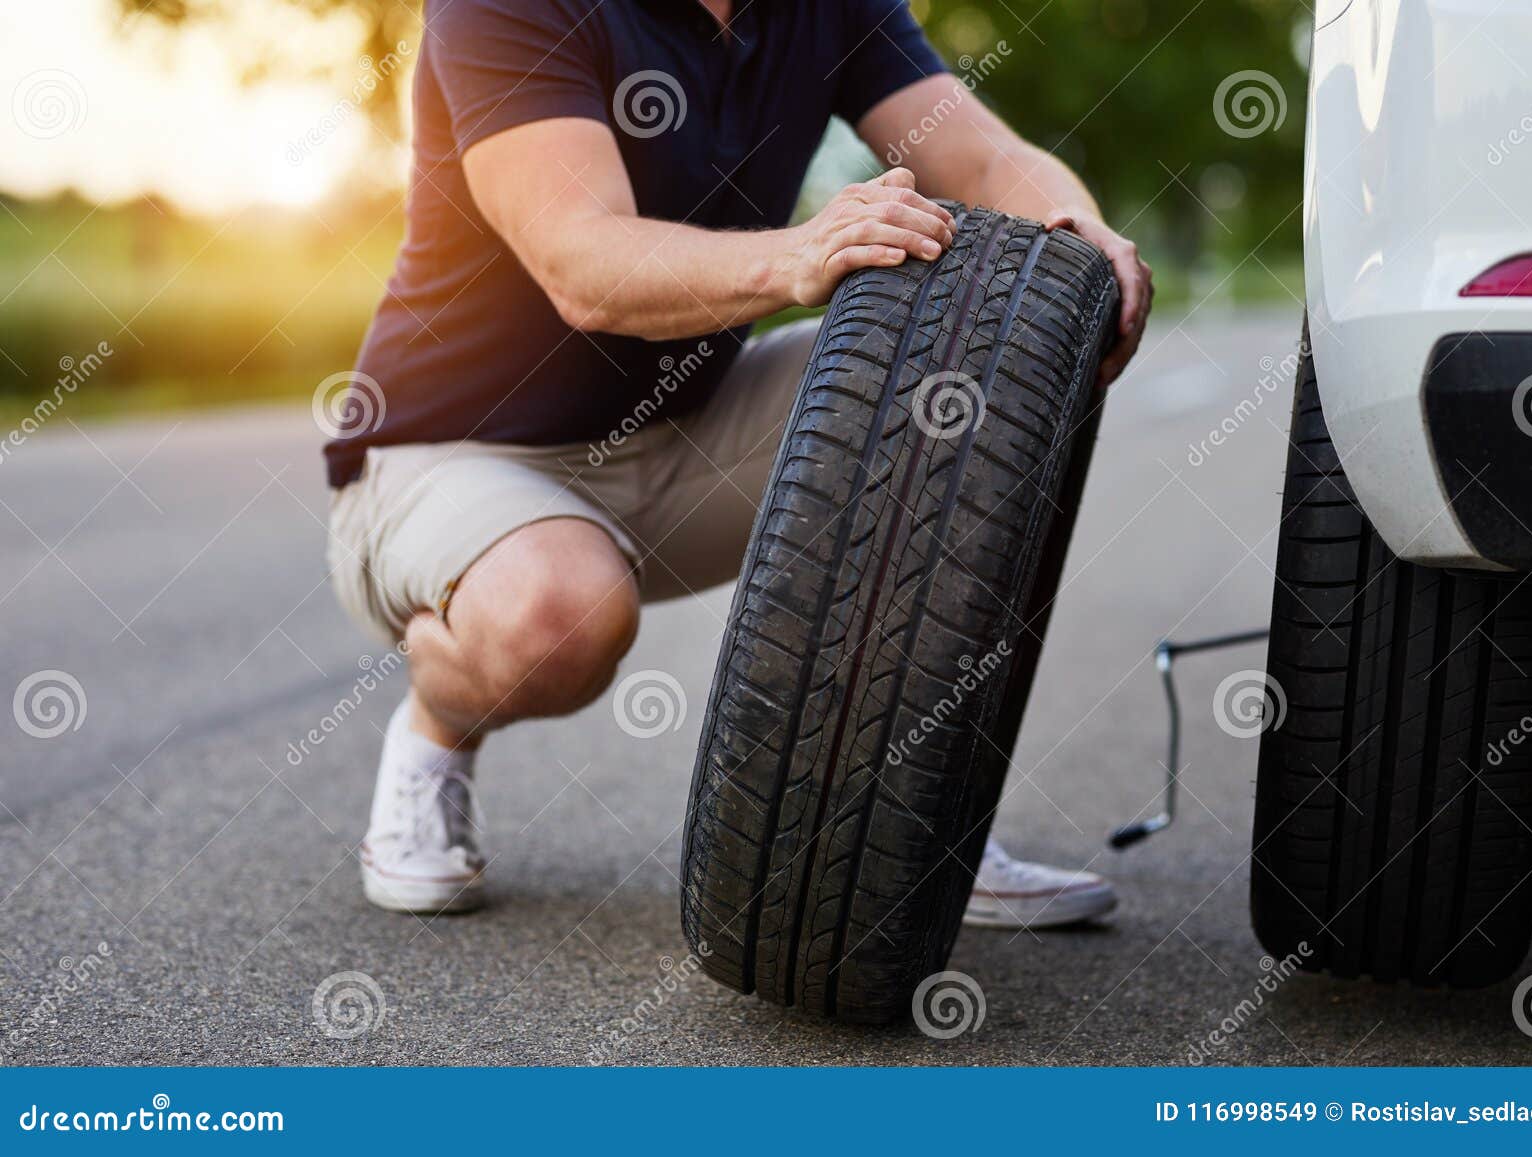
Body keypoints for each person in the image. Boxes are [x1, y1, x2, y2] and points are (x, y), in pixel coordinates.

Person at [325, 0, 1153, 927]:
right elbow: (580, 258)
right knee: (559, 617)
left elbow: (987, 160)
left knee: (966, 379)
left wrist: (1075, 232)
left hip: (688, 430)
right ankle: (435, 732)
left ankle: (906, 822)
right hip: (452, 452)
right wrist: (798, 256)